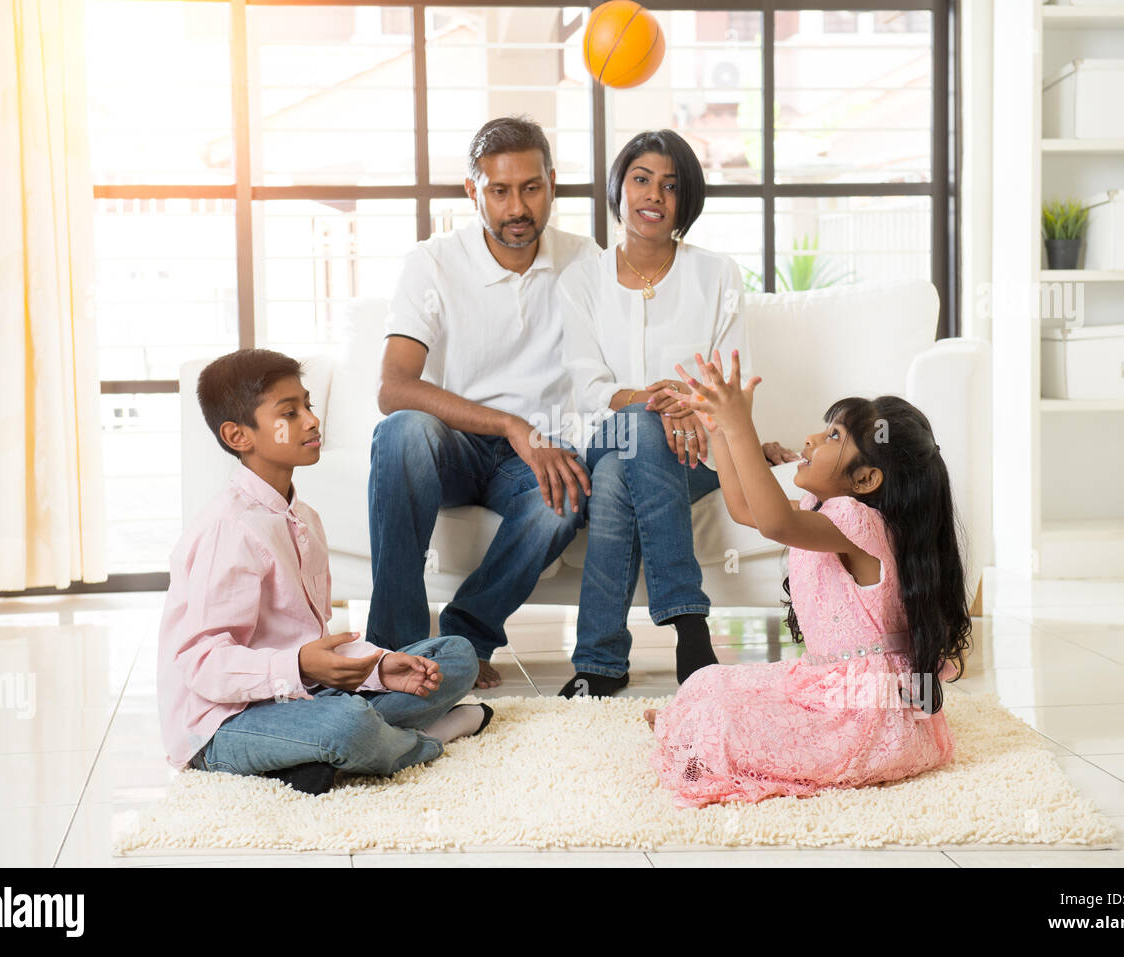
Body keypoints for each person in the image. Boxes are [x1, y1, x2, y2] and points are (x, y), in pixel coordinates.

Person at [644, 350, 972, 808]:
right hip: (829, 685)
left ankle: (708, 740)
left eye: (833, 435)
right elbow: (747, 511)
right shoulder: (834, 515)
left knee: (721, 717)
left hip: (863, 714)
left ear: (865, 479)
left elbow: (775, 523)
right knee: (705, 683)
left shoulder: (860, 524)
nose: (812, 438)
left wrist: (742, 426)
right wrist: (720, 431)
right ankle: (700, 730)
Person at [159, 349, 491, 797]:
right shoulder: (228, 529)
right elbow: (203, 665)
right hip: (223, 726)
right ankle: (428, 740)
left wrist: (377, 667)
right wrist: (298, 666)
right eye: (289, 413)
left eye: (308, 407)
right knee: (347, 723)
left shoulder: (305, 519)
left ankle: (311, 757)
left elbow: (315, 649)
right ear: (239, 435)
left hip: (302, 696)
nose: (312, 422)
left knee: (454, 656)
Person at [367, 116, 601, 690]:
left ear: (552, 183)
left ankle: (463, 641)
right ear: (473, 191)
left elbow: (625, 367)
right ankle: (395, 650)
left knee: (563, 497)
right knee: (401, 432)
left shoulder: (585, 261)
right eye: (499, 191)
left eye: (530, 188)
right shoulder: (434, 262)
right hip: (454, 445)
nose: (516, 206)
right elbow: (394, 387)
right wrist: (509, 423)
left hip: (537, 450)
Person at [556, 130, 749, 697]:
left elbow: (732, 380)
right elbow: (589, 385)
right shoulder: (581, 281)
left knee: (622, 472)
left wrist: (687, 404)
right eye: (641, 178)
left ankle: (598, 663)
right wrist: (654, 403)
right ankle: (691, 629)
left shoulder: (718, 276)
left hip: (699, 452)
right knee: (637, 433)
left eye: (670, 185)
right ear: (619, 187)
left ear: (685, 201)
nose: (654, 195)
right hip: (608, 433)